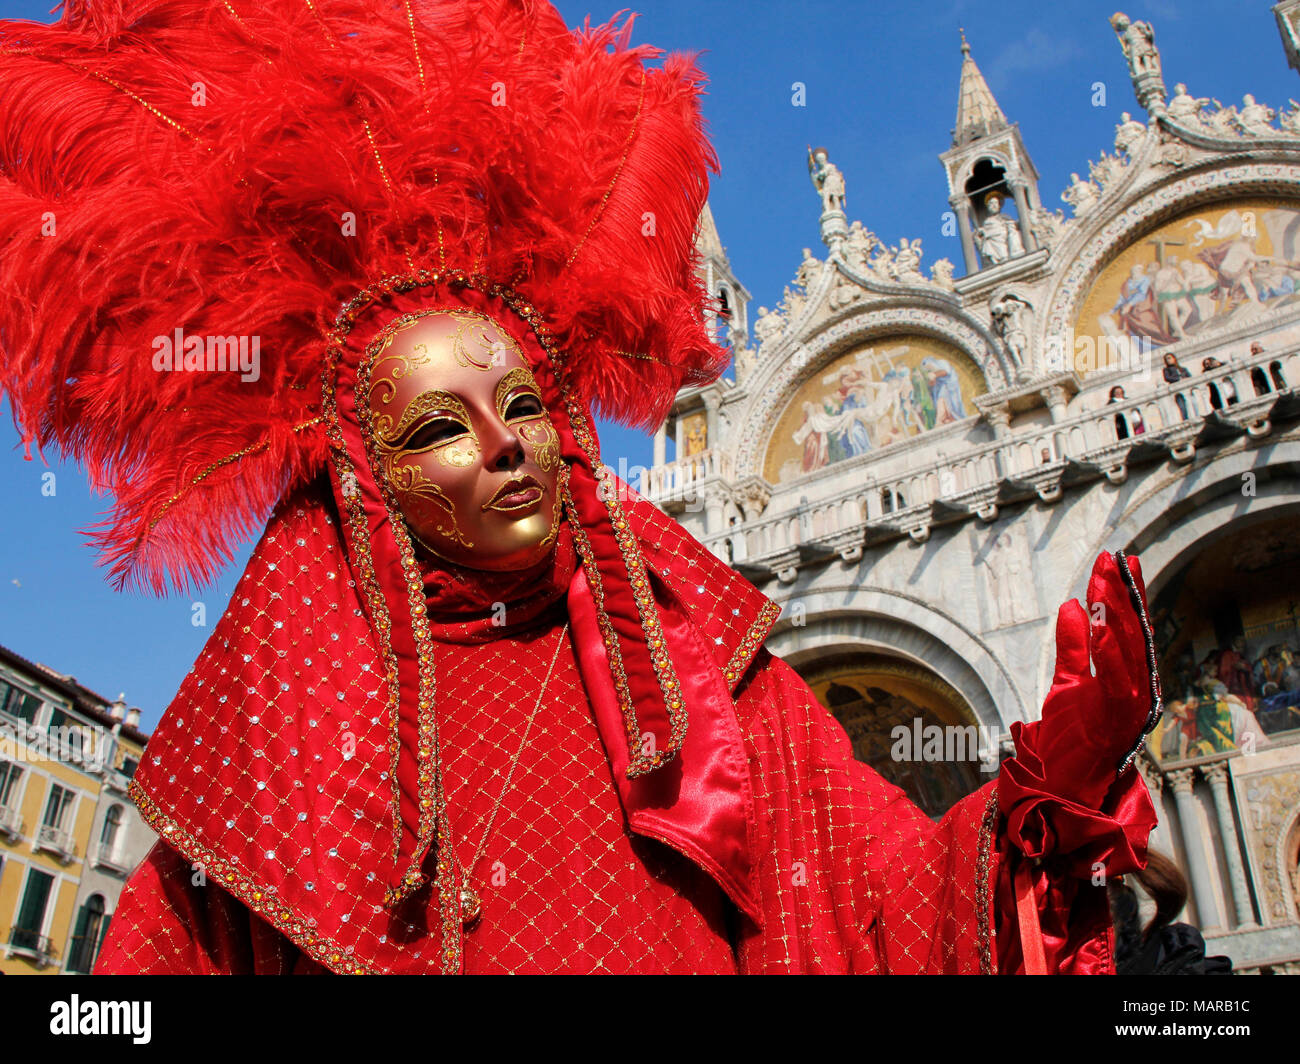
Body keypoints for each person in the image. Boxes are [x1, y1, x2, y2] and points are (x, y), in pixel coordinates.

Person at [0, 0, 1164, 975]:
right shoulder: (279, 748)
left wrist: (1046, 792)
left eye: (522, 408)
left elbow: (891, 904)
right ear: (368, 485)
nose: (506, 446)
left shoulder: (698, 664)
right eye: (438, 428)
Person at [1163, 352, 1193, 419]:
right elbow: (1167, 378)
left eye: (1169, 358)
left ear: (1174, 358)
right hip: (1178, 392)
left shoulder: (1183, 369)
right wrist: (1179, 379)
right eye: (1166, 359)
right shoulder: (1166, 370)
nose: (1168, 360)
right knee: (1182, 407)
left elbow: (1190, 377)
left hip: (1187, 390)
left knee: (1192, 404)